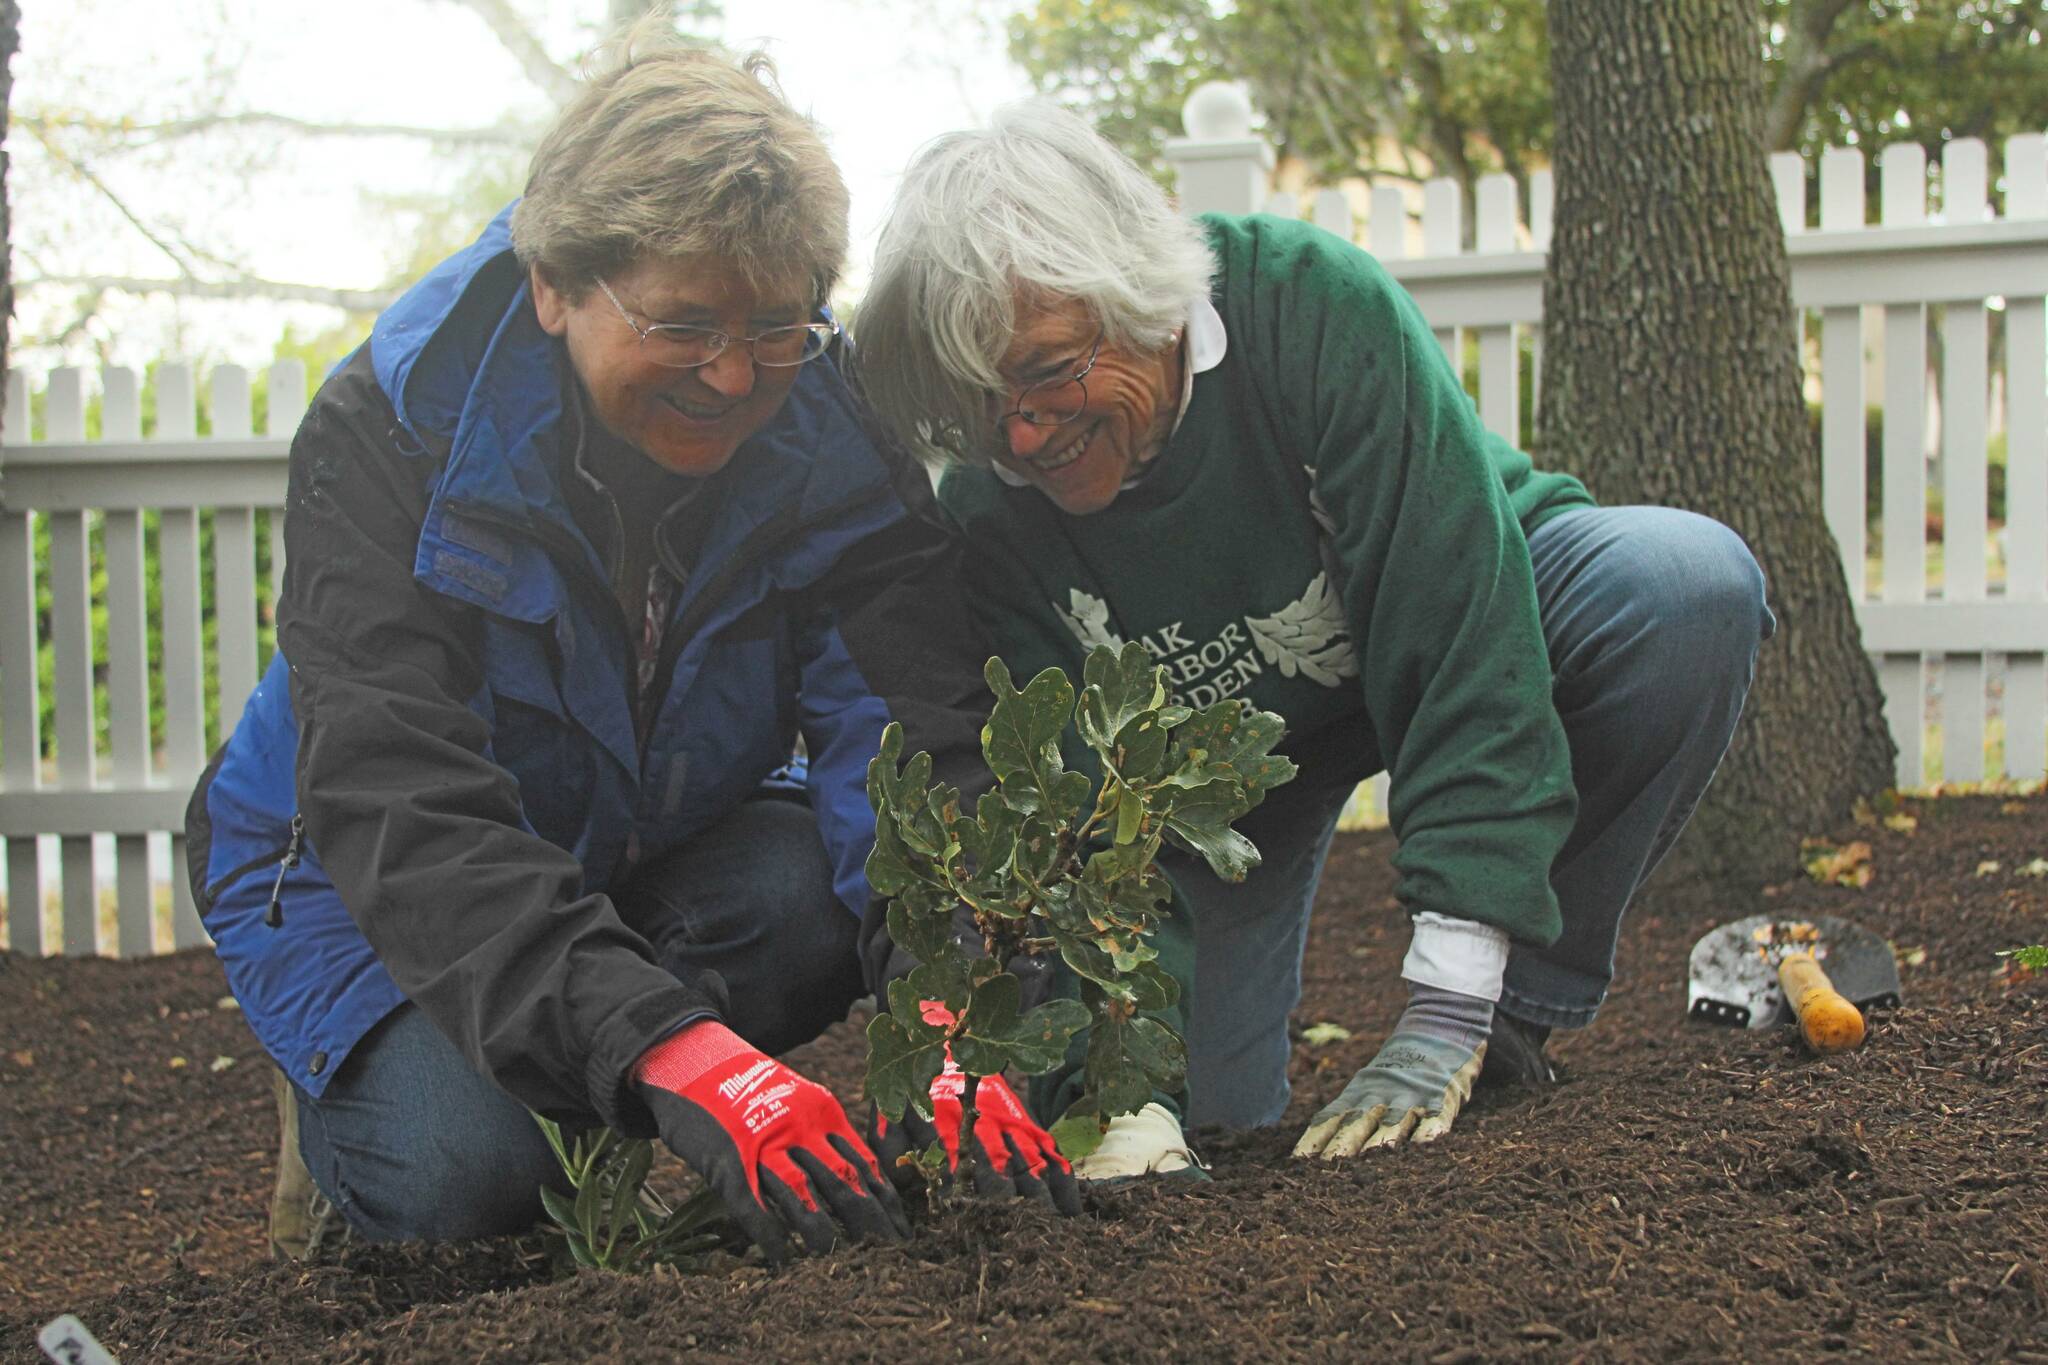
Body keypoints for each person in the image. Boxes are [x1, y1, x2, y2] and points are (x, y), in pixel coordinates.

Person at [186, 29, 1075, 1265]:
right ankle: (395, 1086)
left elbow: (909, 737)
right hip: (357, 864)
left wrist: (953, 1015)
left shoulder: (825, 419)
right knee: (474, 1185)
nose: (731, 375)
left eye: (777, 325)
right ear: (554, 284)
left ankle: (575, 1043)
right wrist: (673, 1052)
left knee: (806, 902)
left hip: (650, 827)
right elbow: (402, 797)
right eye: (681, 324)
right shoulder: (395, 430)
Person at [851, 102, 1775, 1178]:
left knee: (1679, 590)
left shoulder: (1306, 305)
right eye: (977, 399)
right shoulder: (987, 502)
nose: (1019, 431)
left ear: (1140, 297)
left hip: (1461, 609)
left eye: (1048, 368)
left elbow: (1457, 634)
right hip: (1212, 775)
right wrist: (1123, 1089)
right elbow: (1082, 814)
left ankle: (1511, 1014)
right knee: (1212, 1118)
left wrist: (1447, 1008)